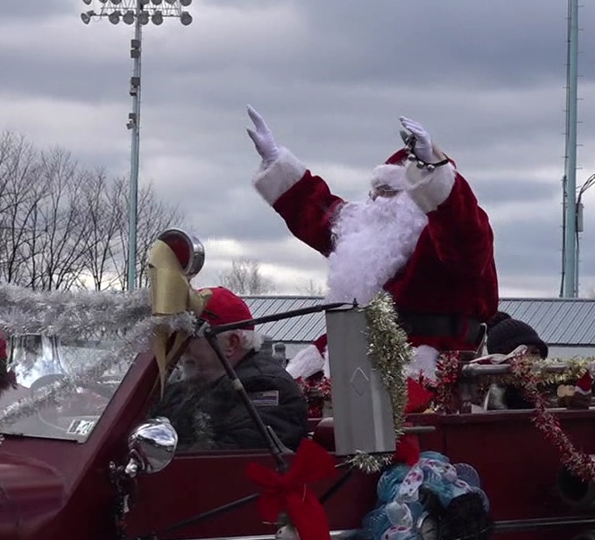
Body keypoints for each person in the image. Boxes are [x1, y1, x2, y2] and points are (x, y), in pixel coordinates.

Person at [246, 106, 498, 401]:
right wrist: (275, 161)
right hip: (361, 353)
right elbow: (318, 212)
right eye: (374, 191)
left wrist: (433, 171)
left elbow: (462, 229)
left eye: (387, 190)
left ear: (417, 197)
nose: (376, 200)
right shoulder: (370, 234)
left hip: (429, 365)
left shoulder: (449, 234)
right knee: (286, 397)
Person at [152, 286, 308, 451]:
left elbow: (230, 457)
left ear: (231, 343)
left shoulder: (263, 386)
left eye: (189, 337)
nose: (181, 349)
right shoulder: (182, 389)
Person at [482, 311, 550, 410]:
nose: (535, 360)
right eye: (521, 352)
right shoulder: (493, 402)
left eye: (536, 353)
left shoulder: (549, 393)